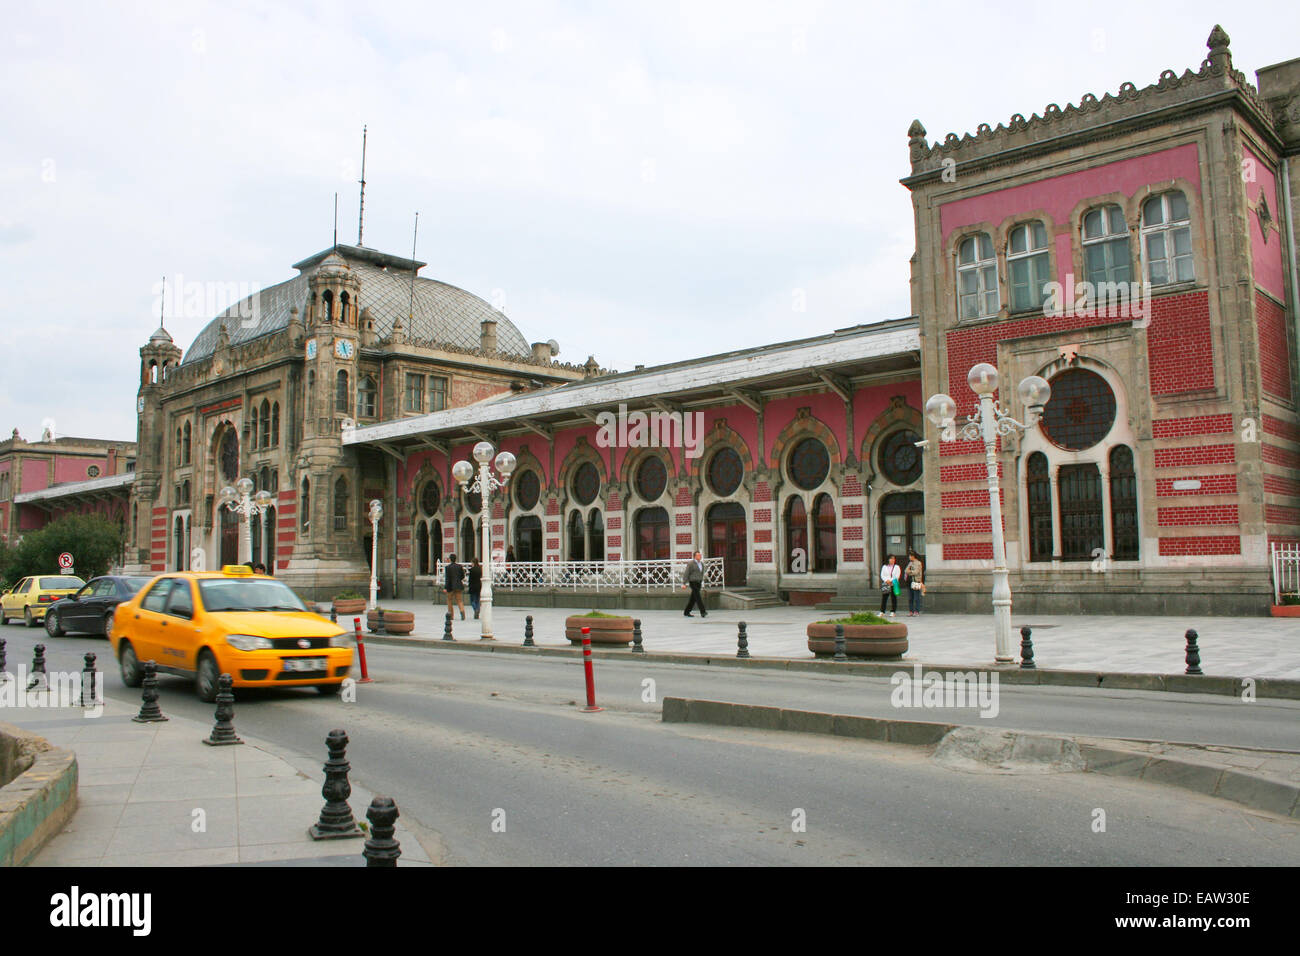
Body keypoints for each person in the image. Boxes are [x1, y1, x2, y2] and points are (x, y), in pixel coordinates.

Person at [682, 551, 708, 617]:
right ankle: (703, 611)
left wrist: (701, 580)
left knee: (693, 598)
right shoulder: (691, 563)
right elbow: (686, 573)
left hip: (699, 582)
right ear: (695, 556)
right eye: (698, 555)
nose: (700, 556)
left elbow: (701, 573)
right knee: (698, 597)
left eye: (700, 555)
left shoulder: (701, 564)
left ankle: (686, 612)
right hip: (693, 582)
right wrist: (684, 583)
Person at [444, 553, 466, 620]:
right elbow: (463, 576)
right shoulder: (459, 566)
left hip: (450, 586)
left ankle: (451, 615)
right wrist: (458, 580)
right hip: (458, 585)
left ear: (450, 559)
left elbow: (447, 579)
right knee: (459, 600)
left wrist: (445, 587)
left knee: (449, 601)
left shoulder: (448, 567)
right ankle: (462, 612)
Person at [905, 550, 924, 617]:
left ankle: (917, 611)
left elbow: (916, 572)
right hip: (909, 581)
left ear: (913, 556)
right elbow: (905, 570)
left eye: (910, 556)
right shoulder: (910, 563)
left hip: (916, 581)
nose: (909, 557)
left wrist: (909, 572)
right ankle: (911, 611)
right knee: (910, 598)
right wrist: (910, 572)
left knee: (916, 597)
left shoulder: (918, 563)